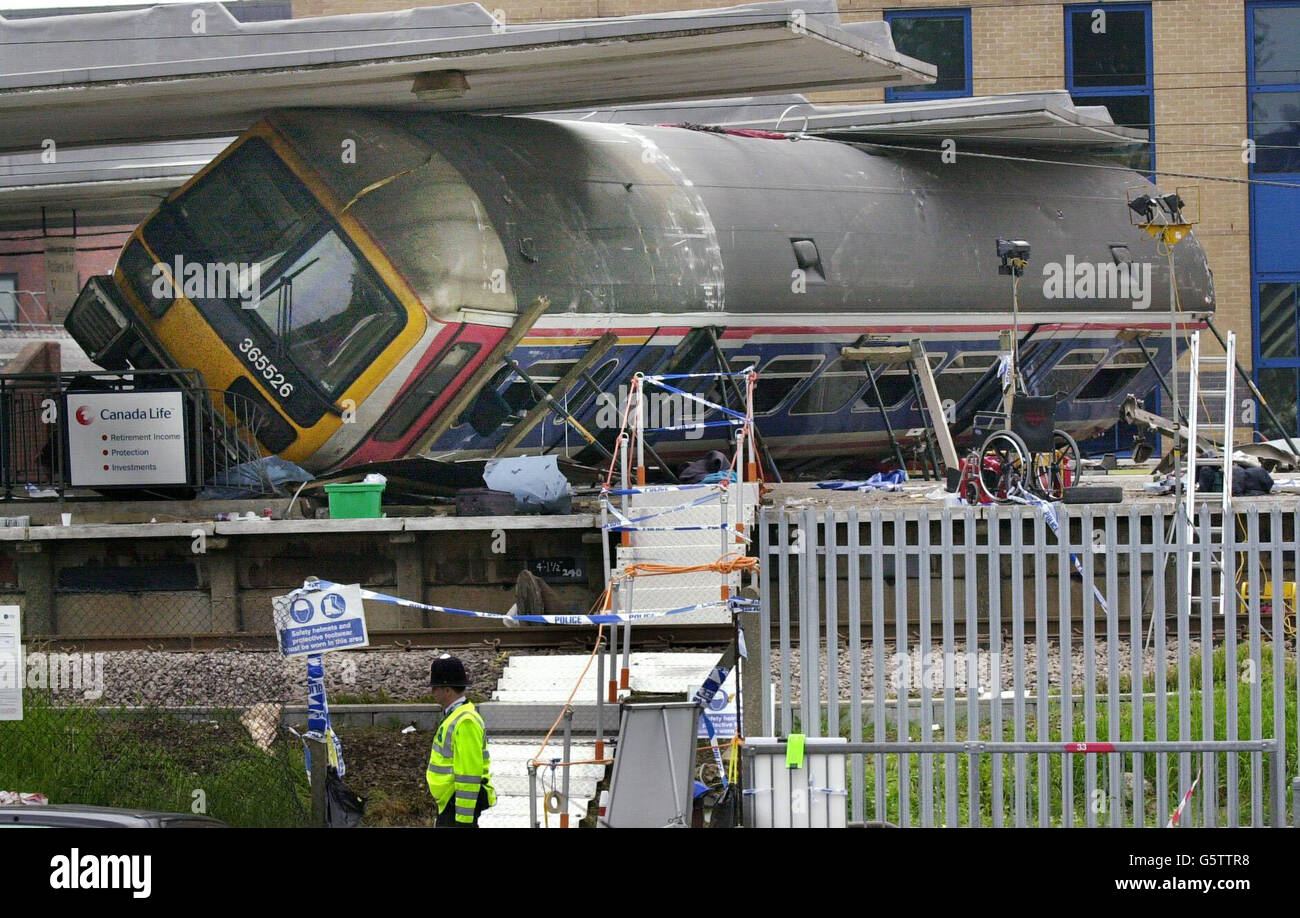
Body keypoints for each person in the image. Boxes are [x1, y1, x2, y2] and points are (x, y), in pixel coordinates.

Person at [426, 654, 496, 827]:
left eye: (435, 687)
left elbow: (469, 774)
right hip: (450, 803)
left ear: (447, 690)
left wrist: (463, 820)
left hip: (456, 806)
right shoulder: (456, 716)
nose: (432, 692)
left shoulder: (465, 721)